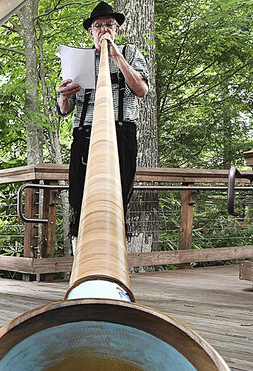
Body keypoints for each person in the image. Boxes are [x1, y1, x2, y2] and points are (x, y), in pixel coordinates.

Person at [57, 1, 149, 248]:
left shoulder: (130, 54)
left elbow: (141, 90)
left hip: (121, 132)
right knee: (80, 193)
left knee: (118, 194)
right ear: (91, 32)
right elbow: (65, 110)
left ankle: (113, 255)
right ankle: (82, 256)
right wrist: (63, 95)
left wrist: (116, 55)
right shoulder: (78, 59)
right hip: (85, 134)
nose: (104, 29)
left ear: (117, 29)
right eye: (98, 26)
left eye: (109, 24)